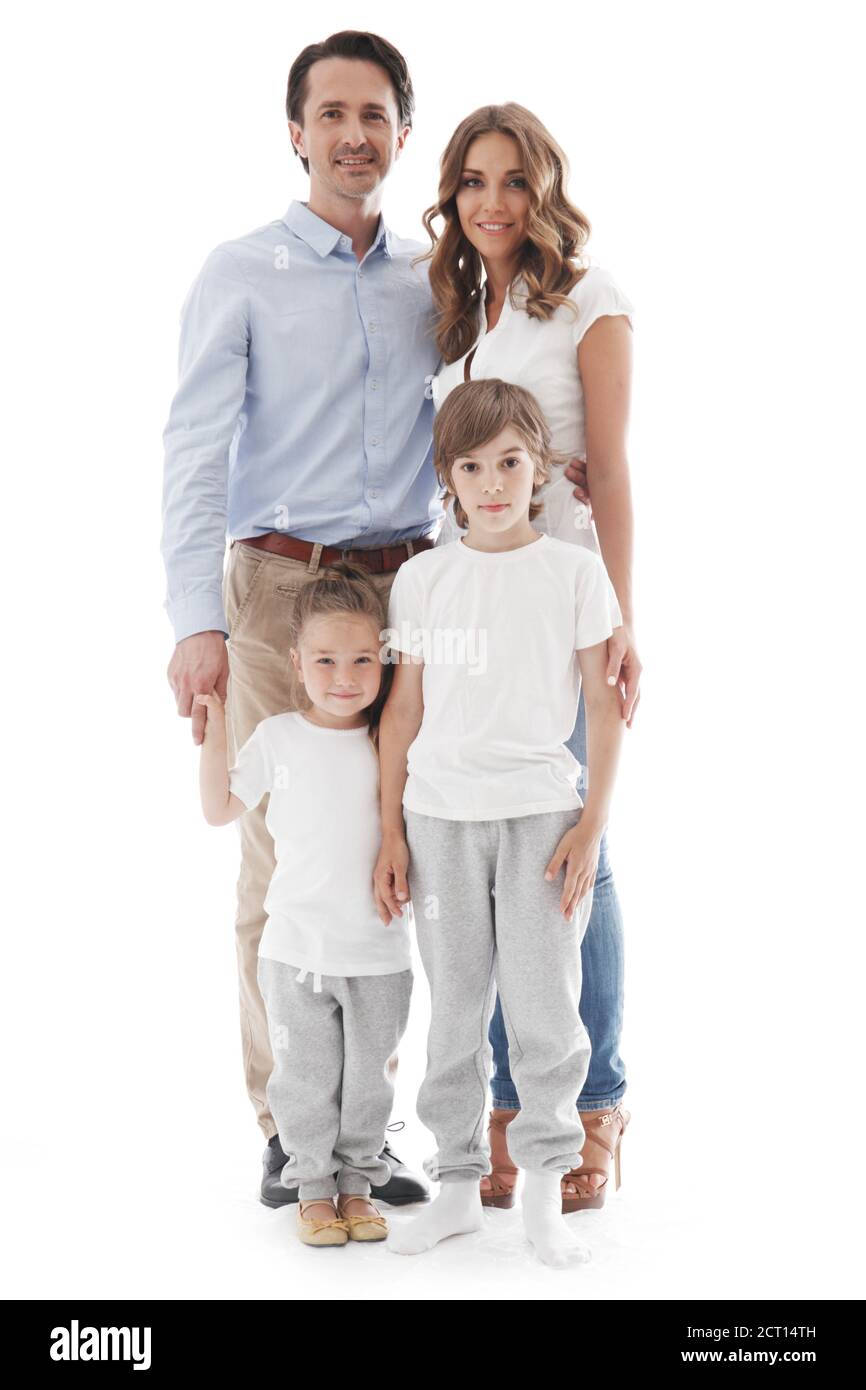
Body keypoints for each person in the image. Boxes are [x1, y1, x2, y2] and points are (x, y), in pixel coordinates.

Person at [161, 30, 438, 1208]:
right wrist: (193, 620)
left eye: (373, 114)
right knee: (282, 854)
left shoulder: (434, 277)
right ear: (294, 131)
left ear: (400, 132)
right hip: (278, 589)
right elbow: (193, 447)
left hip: (410, 588)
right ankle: (289, 1126)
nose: (352, 135)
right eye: (330, 114)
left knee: (395, 845)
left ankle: (362, 1126)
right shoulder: (242, 270)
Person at [419, 103, 640, 1210]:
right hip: (465, 621)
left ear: (542, 189)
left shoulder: (589, 304)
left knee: (567, 862)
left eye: (512, 180)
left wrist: (620, 626)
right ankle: (510, 1112)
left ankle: (593, 1104)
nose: (493, 201)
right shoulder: (458, 309)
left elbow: (610, 470)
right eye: (472, 181)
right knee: (485, 868)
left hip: (556, 617)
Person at [374, 378, 625, 1267]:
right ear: (447, 477)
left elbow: (603, 703)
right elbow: (402, 710)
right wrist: (392, 832)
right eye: (472, 467)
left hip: (541, 818)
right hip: (439, 819)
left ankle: (546, 1194)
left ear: (539, 467)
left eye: (510, 462)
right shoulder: (422, 578)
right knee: (454, 1011)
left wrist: (592, 820)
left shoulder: (574, 571)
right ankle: (453, 1190)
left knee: (546, 1006)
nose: (492, 483)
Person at [195, 564, 413, 1246]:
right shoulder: (280, 738)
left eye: (361, 660)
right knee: (306, 1078)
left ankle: (357, 1186)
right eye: (324, 659)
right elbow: (219, 808)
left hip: (377, 951)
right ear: (295, 661)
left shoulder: (392, 741)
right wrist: (216, 728)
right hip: (295, 952)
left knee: (369, 1083)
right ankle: (312, 1191)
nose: (344, 676)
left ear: (385, 659)